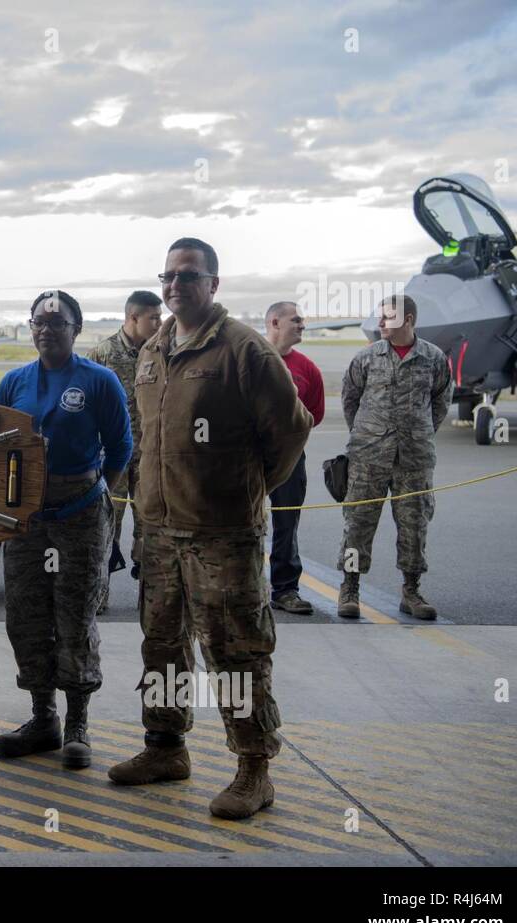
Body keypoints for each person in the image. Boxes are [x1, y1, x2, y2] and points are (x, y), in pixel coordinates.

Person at [107, 238, 312, 819]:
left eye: (188, 276)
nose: (175, 285)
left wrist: (245, 488)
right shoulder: (154, 349)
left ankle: (254, 768)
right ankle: (166, 748)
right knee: (163, 647)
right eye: (168, 276)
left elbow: (291, 429)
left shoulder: (243, 350)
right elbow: (147, 436)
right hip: (159, 530)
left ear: (213, 284)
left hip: (223, 534)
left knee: (235, 652)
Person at [0, 290, 131, 769]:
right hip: (28, 518)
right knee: (26, 616)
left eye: (58, 322)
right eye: (39, 322)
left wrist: (94, 497)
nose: (47, 329)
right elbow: (2, 449)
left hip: (81, 515)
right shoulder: (13, 382)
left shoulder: (100, 381)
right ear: (29, 327)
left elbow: (120, 447)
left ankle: (77, 723)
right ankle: (42, 717)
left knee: (75, 617)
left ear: (76, 328)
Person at [338, 294, 452, 620]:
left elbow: (440, 403)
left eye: (387, 317)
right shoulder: (366, 358)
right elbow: (350, 399)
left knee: (414, 528)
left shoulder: (433, 358)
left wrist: (419, 435)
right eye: (381, 316)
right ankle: (350, 588)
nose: (381, 323)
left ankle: (411, 591)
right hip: (368, 458)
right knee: (357, 526)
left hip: (414, 460)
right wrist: (366, 435)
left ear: (410, 320)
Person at [88, 290, 162, 611]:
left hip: (149, 455)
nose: (160, 324)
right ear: (134, 318)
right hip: (112, 456)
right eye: (154, 318)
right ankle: (99, 593)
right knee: (106, 525)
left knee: (151, 527)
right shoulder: (102, 354)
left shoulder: (161, 353)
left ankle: (153, 596)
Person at [263, 301, 325, 615]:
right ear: (275, 322)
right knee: (239, 522)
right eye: (296, 320)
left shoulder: (307, 368)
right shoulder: (247, 358)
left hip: (290, 458)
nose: (302, 325)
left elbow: (315, 414)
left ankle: (285, 590)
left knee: (287, 523)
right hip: (247, 458)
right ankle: (238, 589)